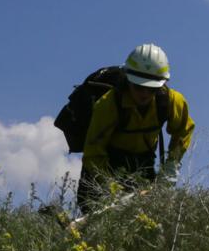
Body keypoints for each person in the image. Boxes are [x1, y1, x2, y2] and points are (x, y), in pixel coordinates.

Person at [77, 43, 195, 214]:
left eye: (151, 89)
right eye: (139, 87)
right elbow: (93, 153)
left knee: (143, 217)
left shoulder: (171, 101)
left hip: (142, 162)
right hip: (106, 161)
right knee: (96, 215)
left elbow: (183, 131)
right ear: (128, 79)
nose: (145, 94)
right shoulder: (108, 105)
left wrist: (171, 166)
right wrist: (111, 189)